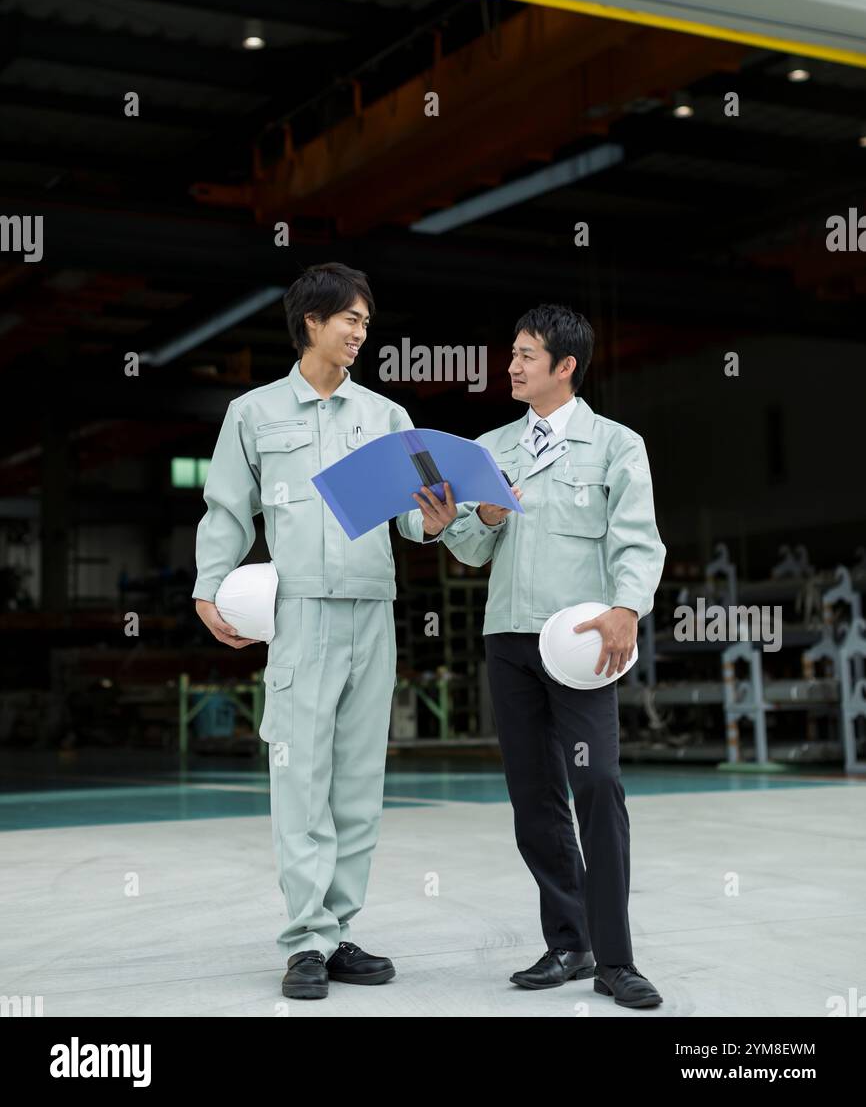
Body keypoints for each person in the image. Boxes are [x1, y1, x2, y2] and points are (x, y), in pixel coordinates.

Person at [408, 304, 666, 1009]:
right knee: (535, 799)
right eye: (513, 353)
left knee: (598, 786)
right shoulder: (490, 450)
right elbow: (470, 549)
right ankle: (568, 943)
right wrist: (464, 521)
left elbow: (638, 541)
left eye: (526, 355)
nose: (513, 366)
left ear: (565, 367)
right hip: (509, 639)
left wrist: (626, 608)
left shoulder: (617, 445)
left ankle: (616, 959)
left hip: (581, 642)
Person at [192, 262, 437, 1000]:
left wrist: (431, 519)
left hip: (372, 609)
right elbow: (227, 510)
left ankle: (338, 932)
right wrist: (208, 589)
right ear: (312, 323)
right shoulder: (254, 413)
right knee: (302, 778)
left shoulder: (390, 418)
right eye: (351, 320)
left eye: (366, 322)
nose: (362, 333)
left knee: (359, 783)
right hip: (298, 614)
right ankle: (304, 940)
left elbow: (412, 518)